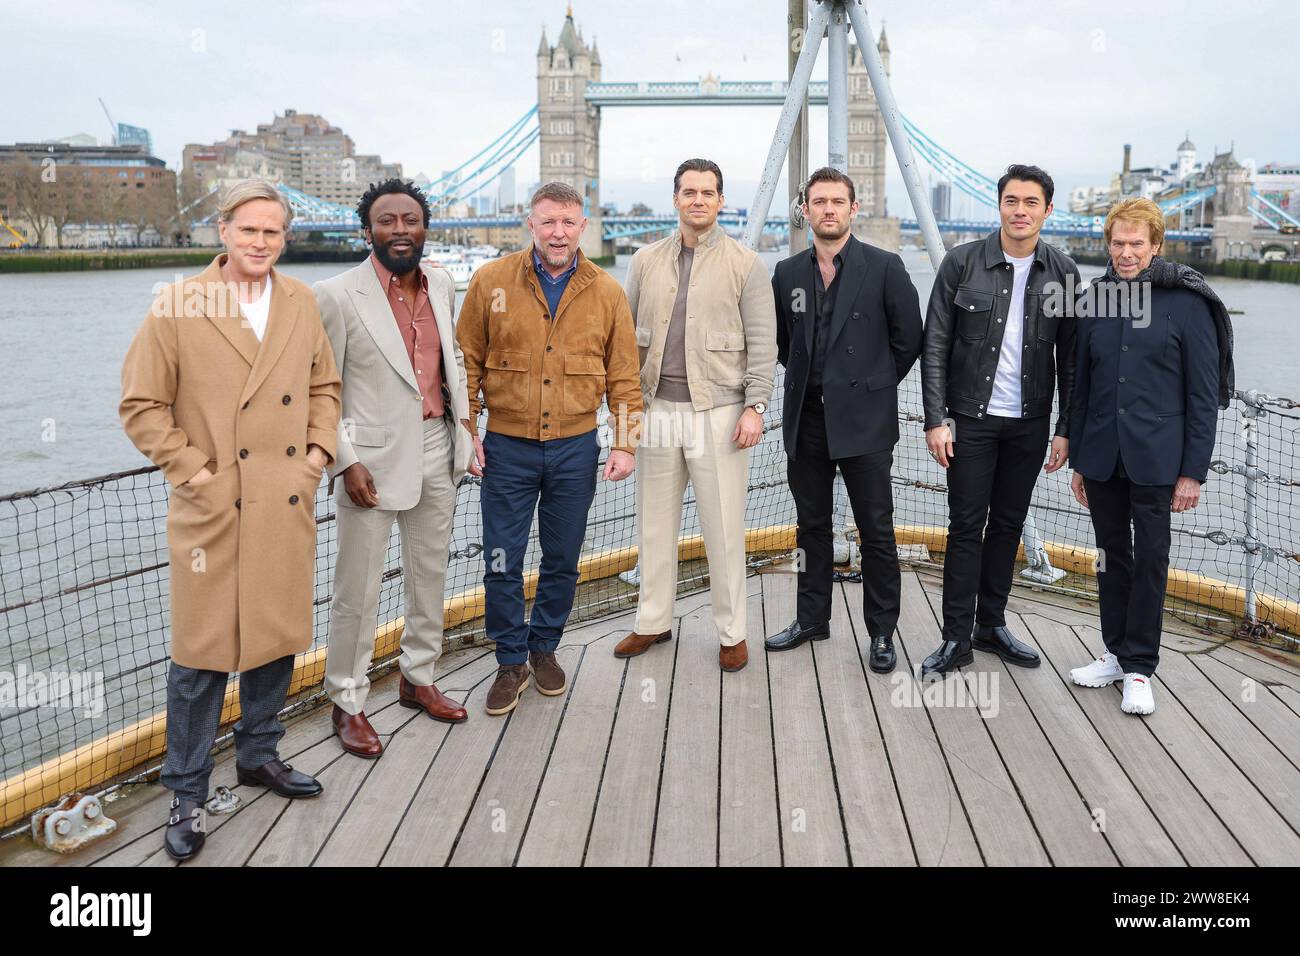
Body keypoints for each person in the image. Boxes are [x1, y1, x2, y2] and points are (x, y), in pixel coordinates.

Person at [120, 180, 341, 861]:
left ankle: (258, 756)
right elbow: (141, 405)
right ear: (222, 230)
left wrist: (315, 456)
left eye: (272, 232)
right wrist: (196, 472)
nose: (260, 242)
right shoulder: (179, 302)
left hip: (284, 498)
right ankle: (186, 792)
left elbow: (324, 388)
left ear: (285, 237)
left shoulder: (301, 300)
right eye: (249, 230)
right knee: (200, 657)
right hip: (213, 507)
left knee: (275, 639)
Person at [457, 181, 642, 716]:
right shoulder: (490, 281)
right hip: (507, 448)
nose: (557, 232)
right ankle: (510, 660)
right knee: (501, 559)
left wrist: (625, 444)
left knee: (562, 559)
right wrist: (467, 430)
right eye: (547, 222)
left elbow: (625, 378)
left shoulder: (607, 292)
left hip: (576, 447)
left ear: (583, 226)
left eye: (567, 222)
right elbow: (466, 361)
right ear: (530, 224)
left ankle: (545, 650)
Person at [317, 179, 475, 758]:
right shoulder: (335, 295)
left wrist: (466, 432)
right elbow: (321, 388)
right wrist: (345, 461)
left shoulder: (443, 282)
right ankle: (348, 700)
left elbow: (451, 359)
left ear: (424, 227)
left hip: (439, 445)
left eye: (410, 219)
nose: (400, 230)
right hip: (371, 461)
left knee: (429, 573)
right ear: (368, 231)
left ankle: (418, 676)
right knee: (356, 589)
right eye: (387, 221)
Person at [1067, 197, 1230, 716]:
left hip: (1161, 460)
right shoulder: (1096, 299)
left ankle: (1140, 667)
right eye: (1117, 243)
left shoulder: (1188, 303)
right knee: (1110, 556)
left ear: (1156, 245)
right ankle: (1115, 653)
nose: (1126, 252)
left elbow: (1202, 396)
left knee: (1152, 561)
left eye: (1137, 243)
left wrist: (1193, 473)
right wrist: (1076, 454)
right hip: (1101, 454)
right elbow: (1080, 384)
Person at [918, 164, 1080, 679]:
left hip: (1031, 423)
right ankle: (954, 638)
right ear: (999, 205)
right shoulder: (961, 265)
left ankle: (991, 624)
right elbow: (935, 346)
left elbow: (1072, 360)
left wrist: (1065, 428)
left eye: (1031, 202)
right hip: (970, 420)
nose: (1020, 210)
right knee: (966, 527)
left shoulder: (1064, 273)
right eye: (1012, 200)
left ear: (1047, 210)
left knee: (1007, 526)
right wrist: (935, 420)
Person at [614, 159, 776, 672]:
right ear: (676, 198)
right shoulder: (643, 261)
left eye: (708, 192)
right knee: (654, 525)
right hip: (656, 409)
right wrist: (625, 424)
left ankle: (731, 633)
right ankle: (652, 622)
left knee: (723, 528)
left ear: (722, 201)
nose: (698, 200)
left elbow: (763, 345)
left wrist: (755, 408)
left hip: (721, 413)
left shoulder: (747, 264)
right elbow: (624, 350)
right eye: (690, 191)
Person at [766, 166, 922, 673]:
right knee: (810, 529)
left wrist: (870, 386)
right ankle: (812, 618)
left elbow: (909, 342)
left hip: (865, 423)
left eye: (838, 201)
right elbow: (786, 346)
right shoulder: (788, 273)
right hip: (807, 420)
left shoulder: (886, 267)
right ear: (806, 210)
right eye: (819, 201)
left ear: (854, 209)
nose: (828, 209)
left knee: (876, 531)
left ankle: (881, 632)